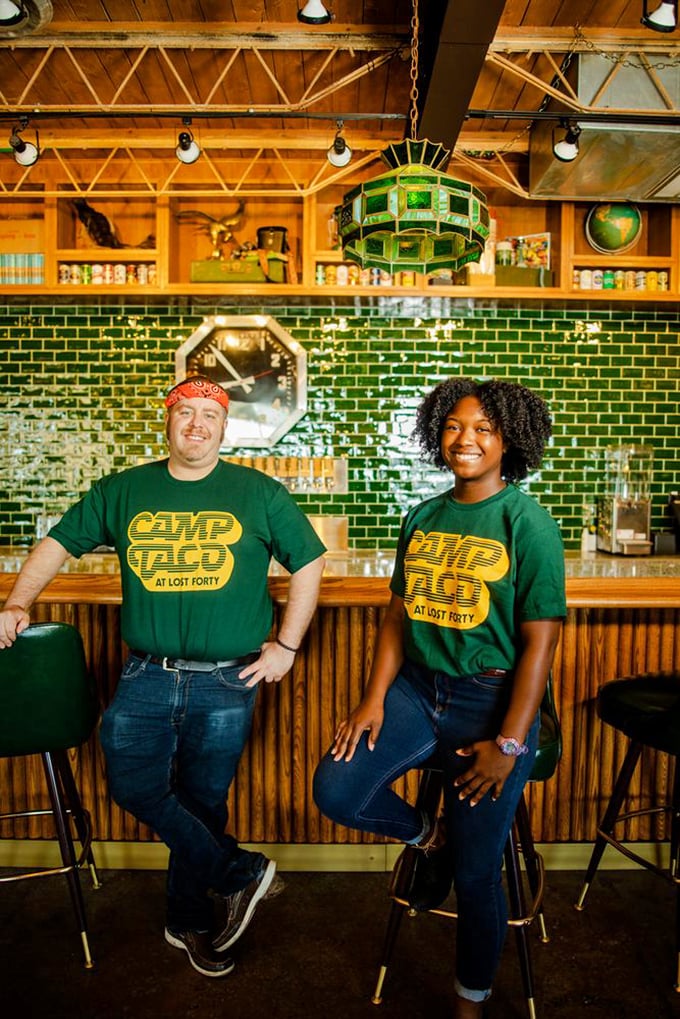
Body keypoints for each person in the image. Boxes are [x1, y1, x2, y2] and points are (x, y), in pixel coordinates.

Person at [0, 375, 325, 979]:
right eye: (186, 412)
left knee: (202, 803)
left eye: (211, 414)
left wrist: (287, 644)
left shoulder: (258, 492)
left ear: (225, 428)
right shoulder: (125, 490)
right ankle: (241, 873)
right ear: (168, 420)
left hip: (229, 680)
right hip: (147, 674)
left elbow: (309, 561)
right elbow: (58, 543)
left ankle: (189, 923)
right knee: (135, 786)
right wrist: (18, 601)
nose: (197, 424)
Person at [313, 377, 566, 1018]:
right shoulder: (422, 516)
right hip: (418, 693)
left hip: (492, 703)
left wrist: (510, 744)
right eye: (454, 425)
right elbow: (397, 618)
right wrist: (373, 699)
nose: (467, 439)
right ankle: (431, 836)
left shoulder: (526, 521)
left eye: (483, 428)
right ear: (436, 433)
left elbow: (540, 644)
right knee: (337, 790)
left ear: (510, 439)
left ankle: (469, 1001)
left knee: (480, 875)